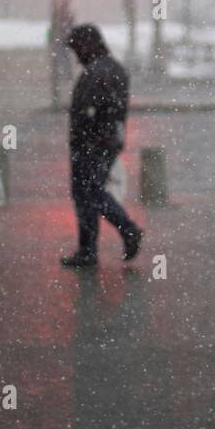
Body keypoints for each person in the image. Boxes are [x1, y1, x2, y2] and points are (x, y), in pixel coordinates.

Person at [62, 23, 143, 268]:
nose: (76, 57)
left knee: (89, 193)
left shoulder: (95, 72)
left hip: (91, 143)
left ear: (88, 45)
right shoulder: (115, 68)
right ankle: (88, 250)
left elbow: (89, 112)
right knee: (90, 193)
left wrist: (82, 138)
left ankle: (125, 231)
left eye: (77, 50)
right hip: (107, 140)